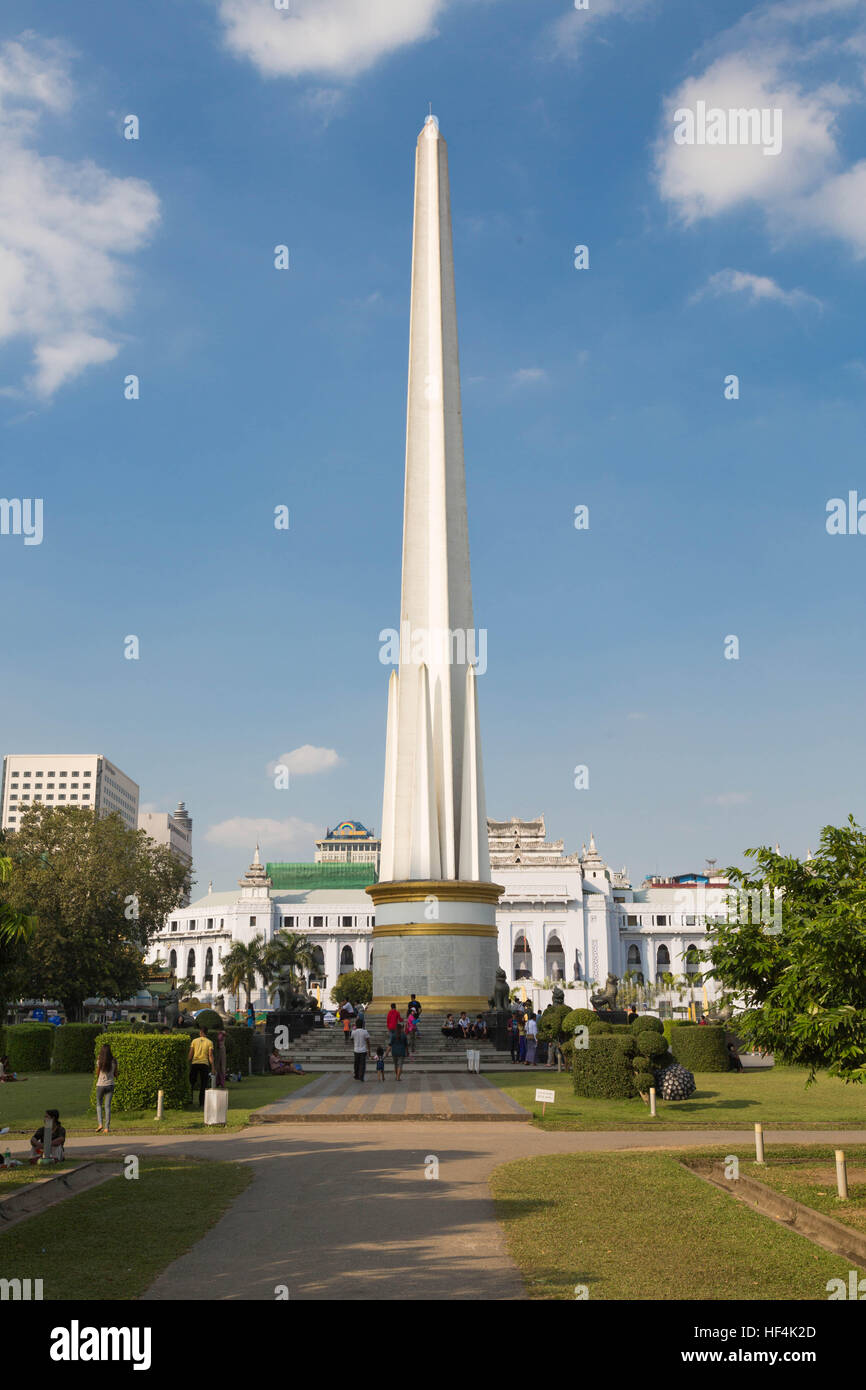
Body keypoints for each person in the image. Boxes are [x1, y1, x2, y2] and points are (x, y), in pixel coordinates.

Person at [94, 1042, 119, 1134]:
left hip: (100, 1085)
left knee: (99, 1105)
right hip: (110, 1085)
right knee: (107, 1106)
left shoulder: (99, 1061)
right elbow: (116, 1074)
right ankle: (107, 1127)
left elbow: (97, 1073)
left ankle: (100, 1124)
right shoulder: (114, 1061)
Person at [188, 1025, 214, 1107]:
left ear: (200, 1032)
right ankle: (201, 1102)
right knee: (204, 1084)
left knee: (191, 1082)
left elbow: (190, 1054)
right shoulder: (209, 1042)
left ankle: (189, 1099)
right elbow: (210, 1056)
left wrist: (187, 1063)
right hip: (204, 1064)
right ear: (206, 1033)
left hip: (195, 1063)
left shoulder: (194, 1041)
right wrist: (213, 1067)